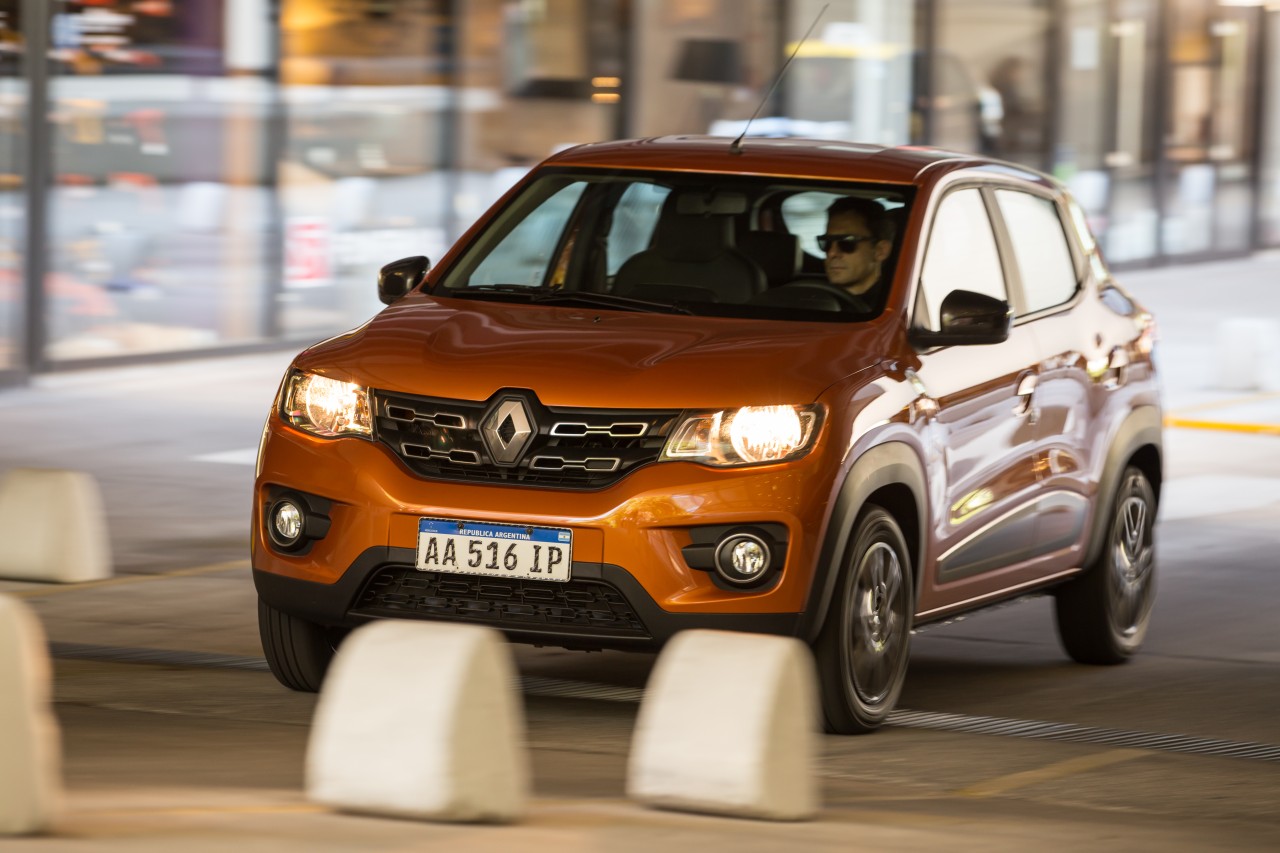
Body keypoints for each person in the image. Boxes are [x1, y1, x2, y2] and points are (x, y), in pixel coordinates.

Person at [818, 197, 895, 305]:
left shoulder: (893, 307)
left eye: (847, 242)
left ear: (880, 251)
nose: (832, 253)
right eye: (827, 242)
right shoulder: (810, 300)